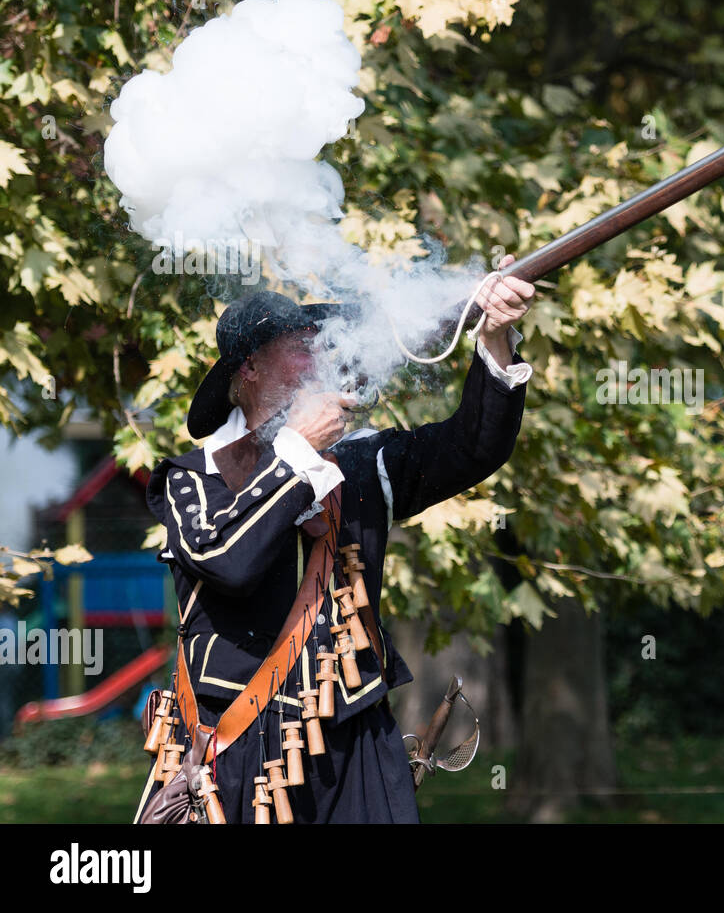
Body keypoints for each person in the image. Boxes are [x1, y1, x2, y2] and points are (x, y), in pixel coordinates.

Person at [132, 261, 533, 823]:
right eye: (302, 346)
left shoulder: (361, 463)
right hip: (241, 750)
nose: (322, 356)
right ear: (249, 366)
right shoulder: (192, 479)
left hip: (356, 743)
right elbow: (229, 562)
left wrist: (492, 336)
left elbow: (474, 446)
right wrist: (296, 449)